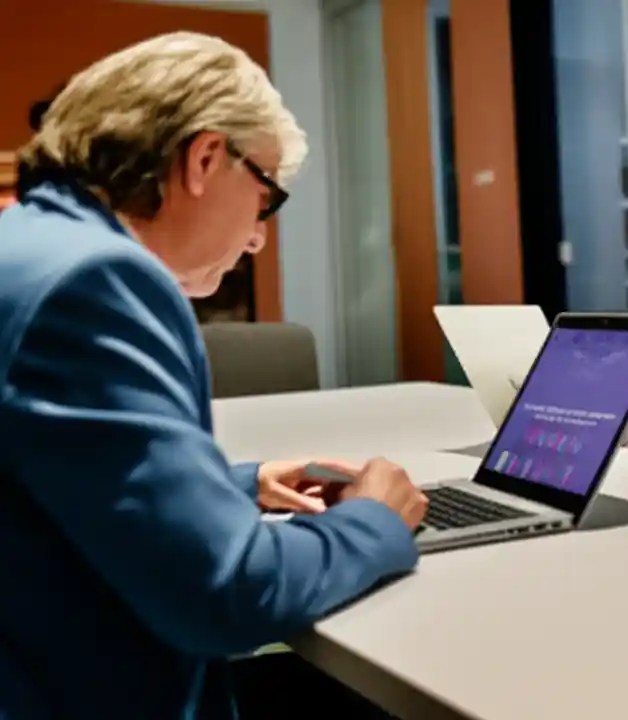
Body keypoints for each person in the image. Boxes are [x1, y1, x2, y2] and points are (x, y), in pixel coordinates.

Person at [0, 32, 428, 718]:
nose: (259, 234)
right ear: (204, 158)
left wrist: (230, 485)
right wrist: (376, 521)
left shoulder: (27, 245)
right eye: (267, 196)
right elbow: (226, 593)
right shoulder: (96, 278)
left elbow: (43, 477)